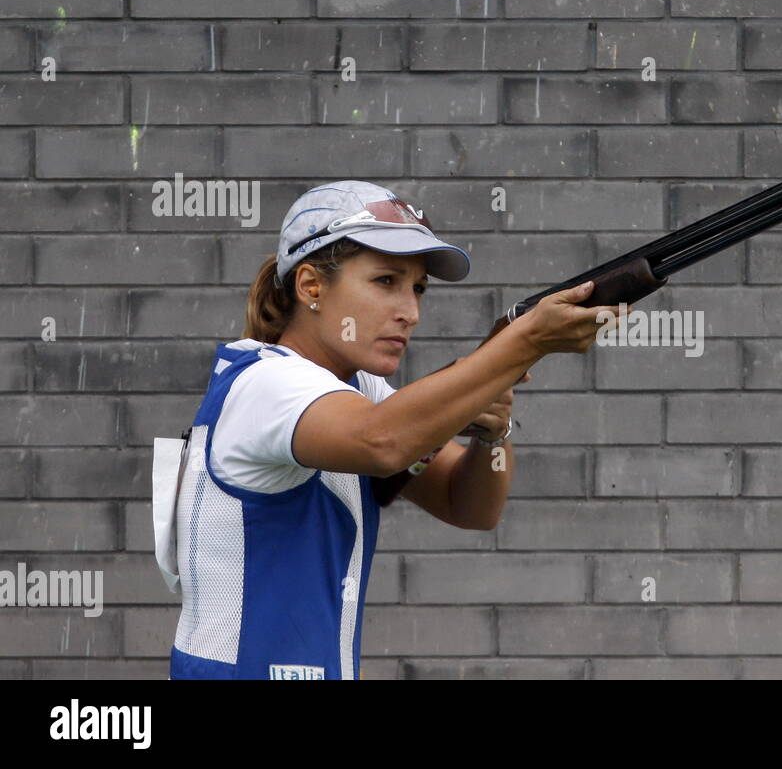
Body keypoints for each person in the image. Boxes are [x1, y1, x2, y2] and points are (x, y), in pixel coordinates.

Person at [167, 180, 624, 680]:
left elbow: (468, 505)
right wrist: (524, 342)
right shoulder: (266, 381)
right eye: (386, 281)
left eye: (418, 288)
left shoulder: (360, 389)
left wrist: (493, 430)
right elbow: (383, 443)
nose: (411, 311)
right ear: (311, 287)